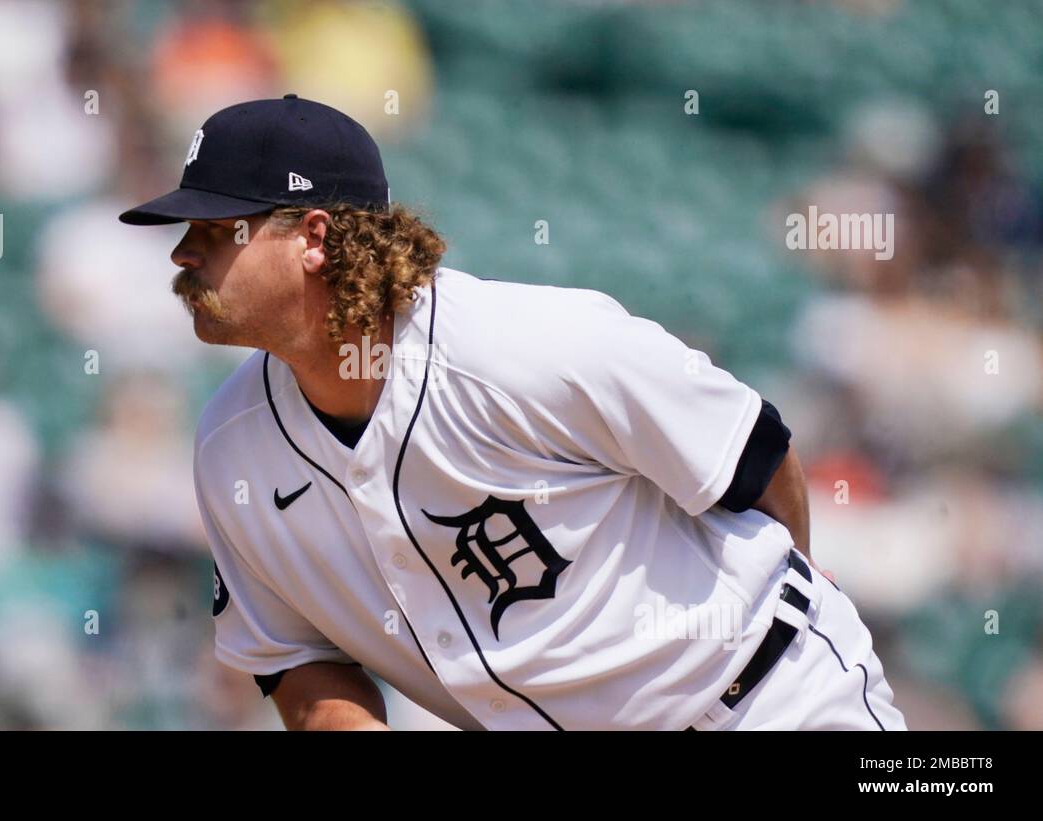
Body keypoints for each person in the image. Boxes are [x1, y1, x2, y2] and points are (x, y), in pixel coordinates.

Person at [119, 95, 907, 730]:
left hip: (768, 703)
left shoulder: (529, 348)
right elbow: (291, 654)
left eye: (219, 228)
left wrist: (778, 616)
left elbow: (762, 462)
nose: (185, 252)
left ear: (313, 237)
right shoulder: (231, 449)